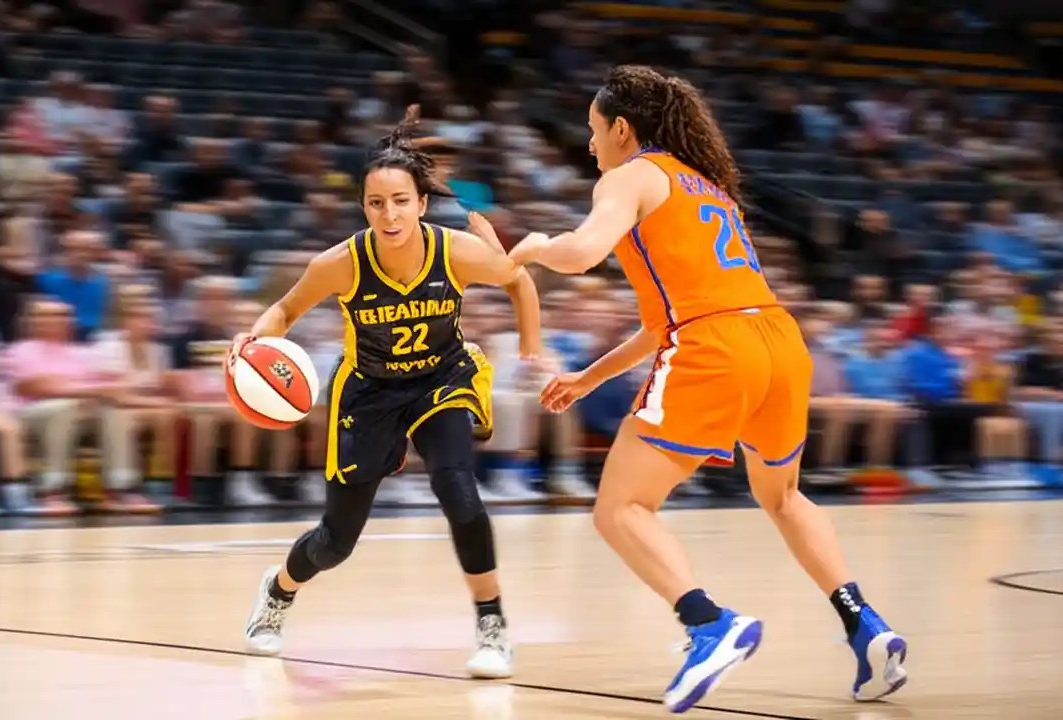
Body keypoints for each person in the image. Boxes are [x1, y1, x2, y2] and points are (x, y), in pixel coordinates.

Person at [508, 65, 908, 713]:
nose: (588, 144)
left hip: (717, 348)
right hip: (778, 341)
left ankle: (708, 623)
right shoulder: (705, 186)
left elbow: (582, 254)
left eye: (592, 130)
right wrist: (587, 378)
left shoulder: (630, 175)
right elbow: (658, 324)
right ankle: (865, 626)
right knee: (782, 496)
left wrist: (531, 248)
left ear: (621, 128)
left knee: (620, 509)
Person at [229, 107, 545, 679]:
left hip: (441, 379)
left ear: (421, 204)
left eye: (401, 200)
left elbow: (518, 280)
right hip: (369, 393)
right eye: (377, 203)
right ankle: (277, 591)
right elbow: (284, 311)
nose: (390, 213)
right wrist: (252, 341)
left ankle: (492, 625)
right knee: (336, 541)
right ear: (364, 208)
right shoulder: (340, 264)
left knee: (458, 489)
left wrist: (530, 350)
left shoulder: (456, 252)